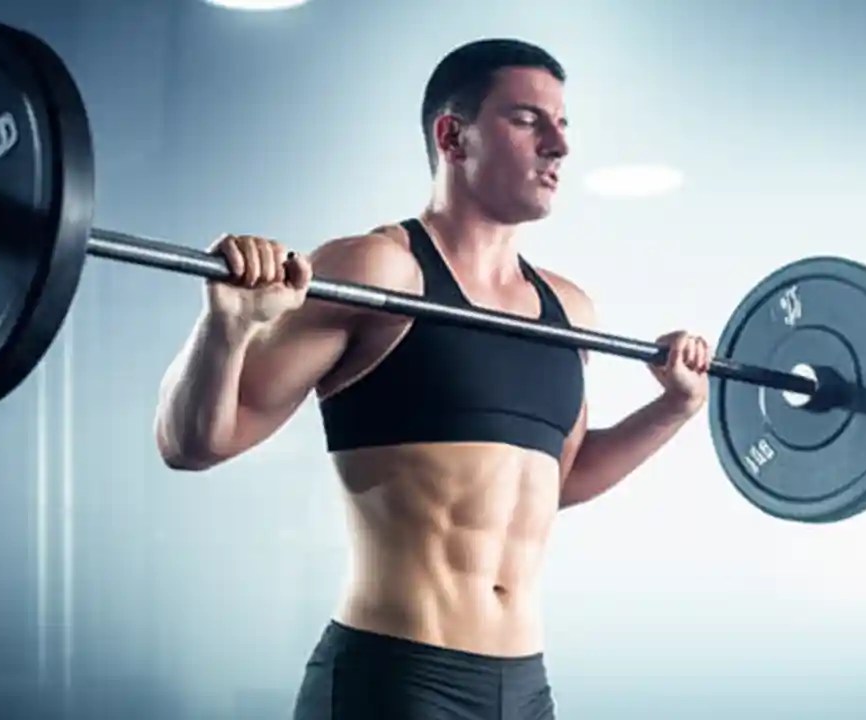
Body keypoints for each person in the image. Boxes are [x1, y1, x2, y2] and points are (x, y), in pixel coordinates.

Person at [154, 38, 712, 720]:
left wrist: (673, 409)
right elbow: (191, 443)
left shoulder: (569, 310)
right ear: (453, 136)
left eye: (563, 124)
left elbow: (559, 480)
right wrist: (229, 325)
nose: (558, 146)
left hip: (526, 687)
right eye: (528, 120)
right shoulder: (379, 271)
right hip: (398, 677)